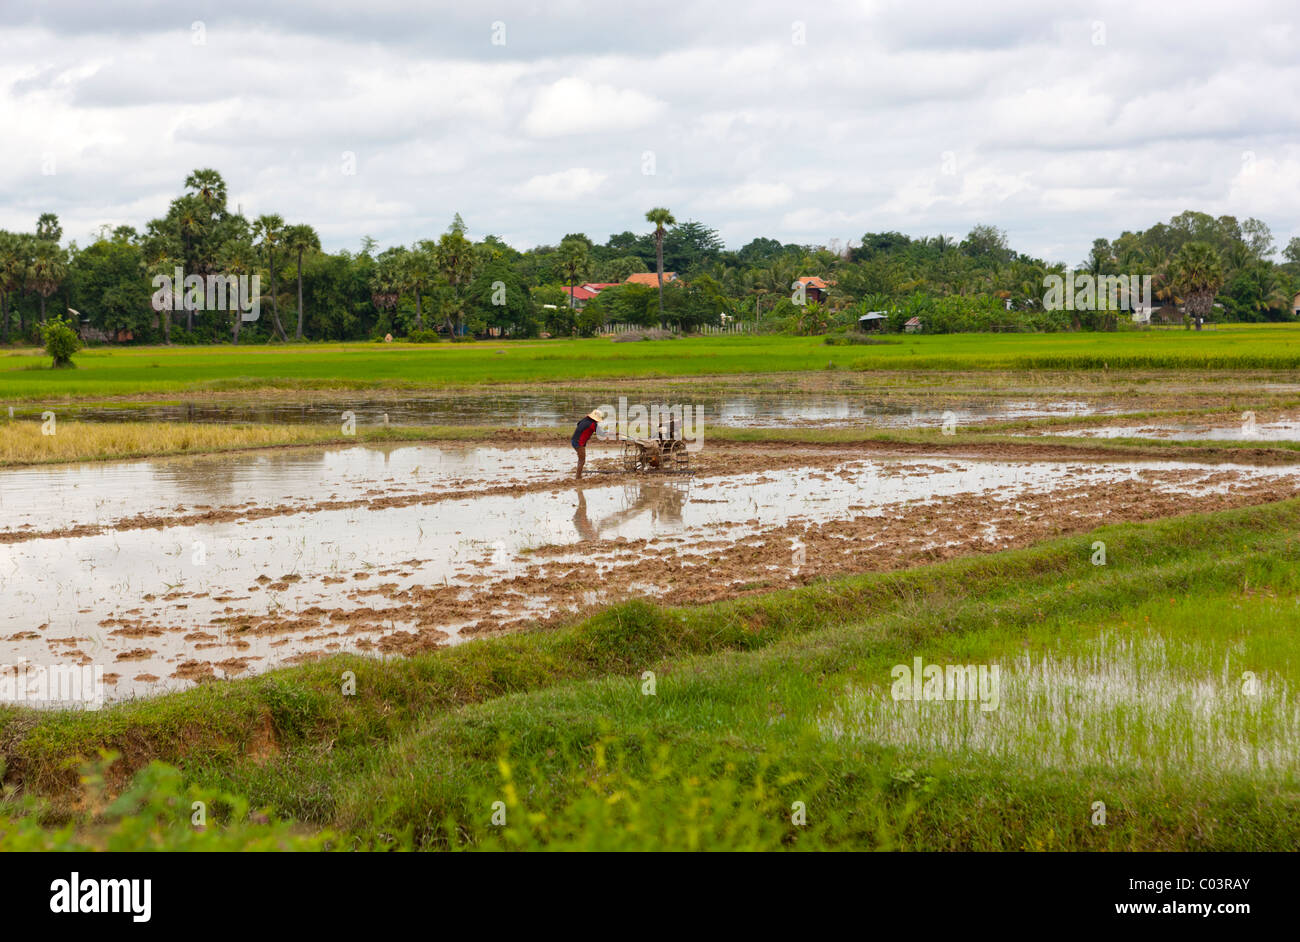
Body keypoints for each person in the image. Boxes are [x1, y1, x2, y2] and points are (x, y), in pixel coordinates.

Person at [571, 408, 606, 479]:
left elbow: (578, 424)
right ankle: (578, 477)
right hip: (579, 443)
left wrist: (587, 432)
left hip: (573, 440)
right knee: (582, 460)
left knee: (580, 459)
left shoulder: (585, 419)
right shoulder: (593, 424)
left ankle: (578, 475)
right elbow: (602, 434)